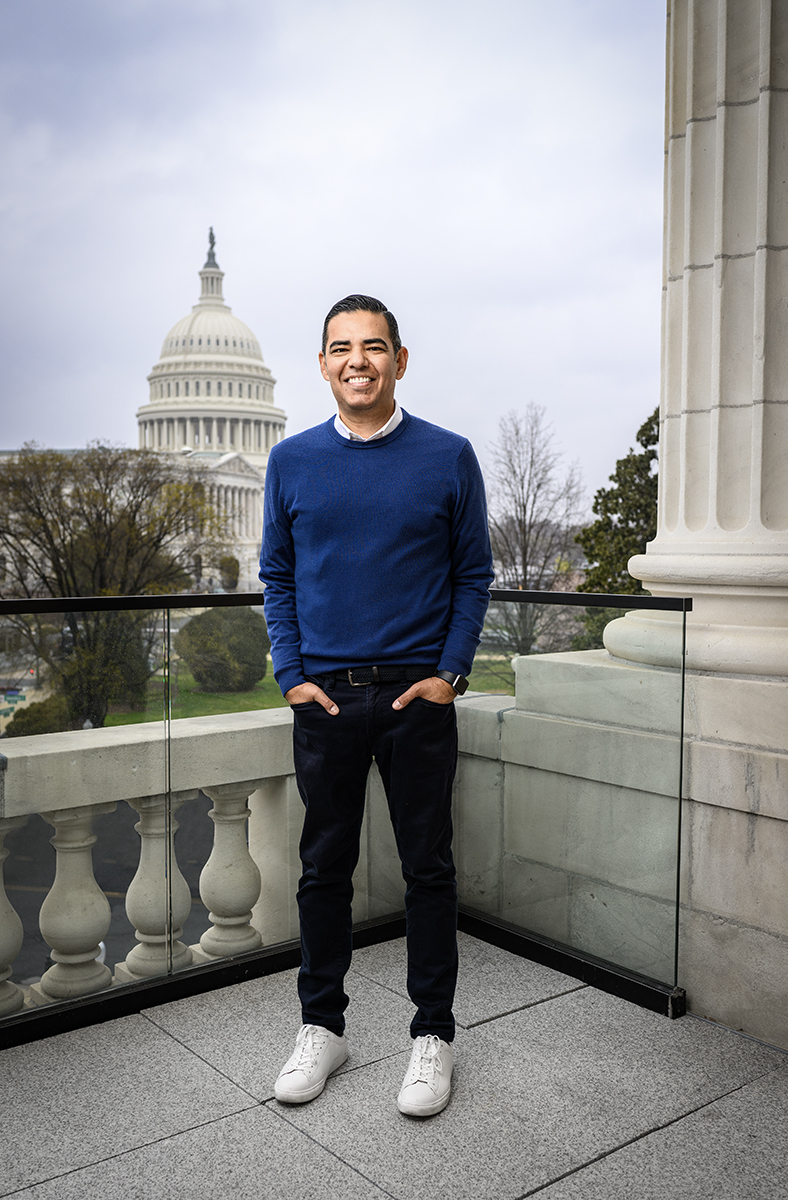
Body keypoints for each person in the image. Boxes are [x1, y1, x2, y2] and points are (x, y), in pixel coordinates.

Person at [259, 294, 492, 1117]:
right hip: (324, 700)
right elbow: (278, 578)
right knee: (323, 870)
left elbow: (474, 575)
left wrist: (450, 675)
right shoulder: (289, 462)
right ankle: (323, 1027)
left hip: (415, 698)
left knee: (428, 870)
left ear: (399, 360)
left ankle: (433, 1036)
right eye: (340, 348)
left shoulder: (449, 456)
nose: (357, 360)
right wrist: (291, 674)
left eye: (373, 347)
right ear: (322, 364)